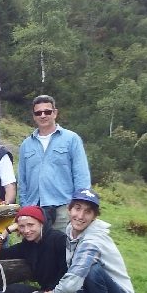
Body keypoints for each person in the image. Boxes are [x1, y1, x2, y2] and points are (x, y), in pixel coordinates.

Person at [25, 189, 138, 293]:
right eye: (77, 208)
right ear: (69, 210)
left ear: (94, 216)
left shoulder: (93, 239)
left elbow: (77, 275)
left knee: (93, 270)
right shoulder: (71, 231)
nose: (81, 215)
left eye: (88, 211)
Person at [17, 94, 91, 233]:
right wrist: (26, 207)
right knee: (38, 251)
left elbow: (81, 174)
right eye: (38, 113)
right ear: (34, 116)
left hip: (64, 207)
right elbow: (22, 179)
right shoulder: (26, 145)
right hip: (35, 209)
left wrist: (78, 207)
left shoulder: (71, 139)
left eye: (47, 112)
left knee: (64, 250)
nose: (43, 115)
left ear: (55, 113)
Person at [0, 206, 68, 293]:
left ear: (41, 223)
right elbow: (2, 254)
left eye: (31, 225)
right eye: (21, 226)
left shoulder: (59, 239)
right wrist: (6, 232)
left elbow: (66, 270)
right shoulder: (27, 245)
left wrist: (51, 290)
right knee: (11, 291)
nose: (26, 230)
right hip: (45, 291)